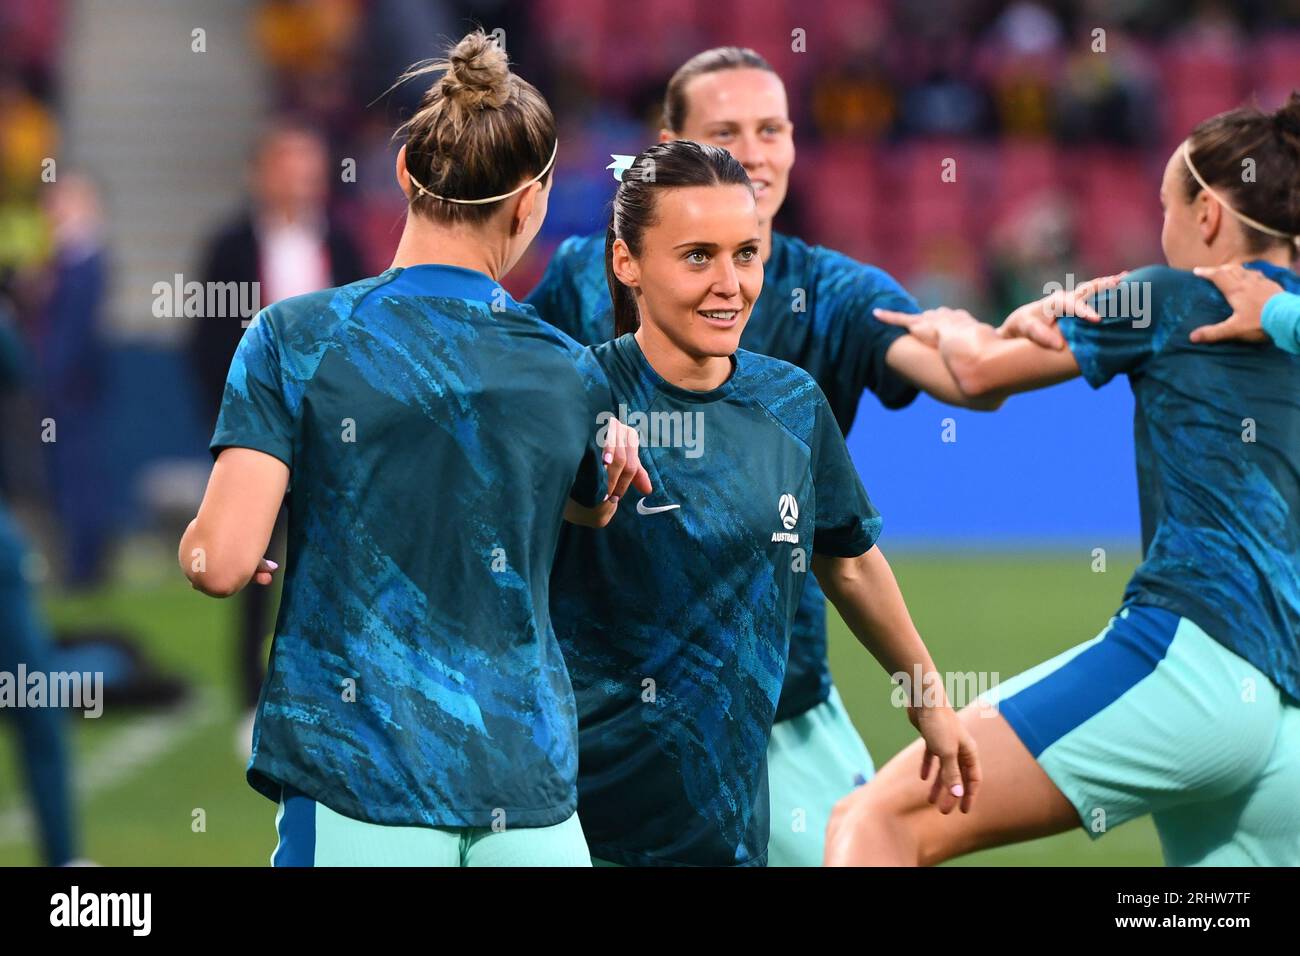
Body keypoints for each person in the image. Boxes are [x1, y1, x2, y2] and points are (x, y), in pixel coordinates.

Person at [178, 31, 648, 867]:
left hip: (359, 785)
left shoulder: (295, 337)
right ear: (530, 204)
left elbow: (219, 563)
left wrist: (220, 539)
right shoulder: (569, 370)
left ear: (403, 174)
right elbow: (587, 503)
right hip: (530, 794)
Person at [528, 46, 1002, 866]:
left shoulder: (789, 402)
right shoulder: (569, 388)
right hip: (570, 802)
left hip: (734, 795)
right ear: (626, 261)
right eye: (698, 257)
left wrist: (930, 702)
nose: (730, 284)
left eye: (745, 255)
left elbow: (849, 560)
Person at [828, 93, 1300, 867]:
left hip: (1198, 656)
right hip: (1287, 713)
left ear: (1208, 216)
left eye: (1167, 208)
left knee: (877, 820)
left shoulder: (1177, 292)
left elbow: (978, 376)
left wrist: (951, 324)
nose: (1163, 230)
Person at [188, 118, 366, 738]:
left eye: (310, 167)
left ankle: (336, 692)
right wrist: (234, 424)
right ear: (262, 174)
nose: (301, 180)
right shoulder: (228, 246)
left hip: (331, 434)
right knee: (250, 560)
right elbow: (206, 343)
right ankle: (250, 699)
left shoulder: (341, 244)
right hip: (260, 431)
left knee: (335, 560)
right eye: (288, 166)